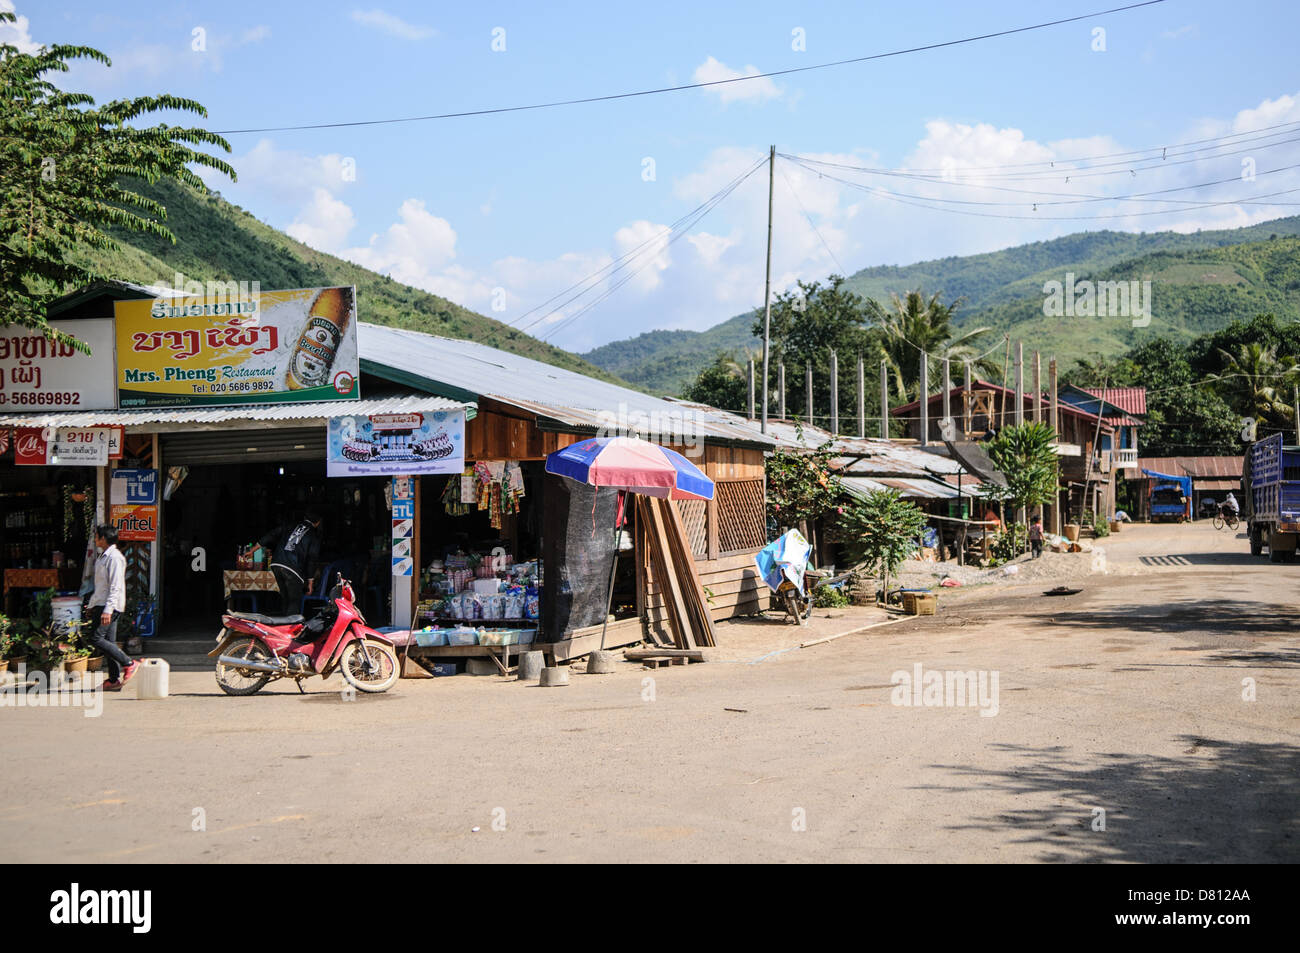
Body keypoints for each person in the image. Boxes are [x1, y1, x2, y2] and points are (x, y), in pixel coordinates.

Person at [86, 524, 139, 691]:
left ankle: (129, 663)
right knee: (109, 642)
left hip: (110, 606)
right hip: (102, 604)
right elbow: (101, 586)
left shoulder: (115, 557)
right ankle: (114, 679)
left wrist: (108, 610)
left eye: (97, 537)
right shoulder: (104, 556)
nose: (95, 540)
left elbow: (115, 586)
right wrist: (92, 605)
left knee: (96, 638)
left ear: (103, 538)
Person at [260, 511, 322, 616]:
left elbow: (272, 534)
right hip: (292, 569)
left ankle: (283, 627)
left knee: (286, 599)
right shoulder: (313, 535)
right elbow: (312, 560)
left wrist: (254, 548)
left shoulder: (291, 525)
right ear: (318, 522)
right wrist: (310, 583)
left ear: (304, 517)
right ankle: (289, 629)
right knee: (294, 602)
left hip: (277, 564)